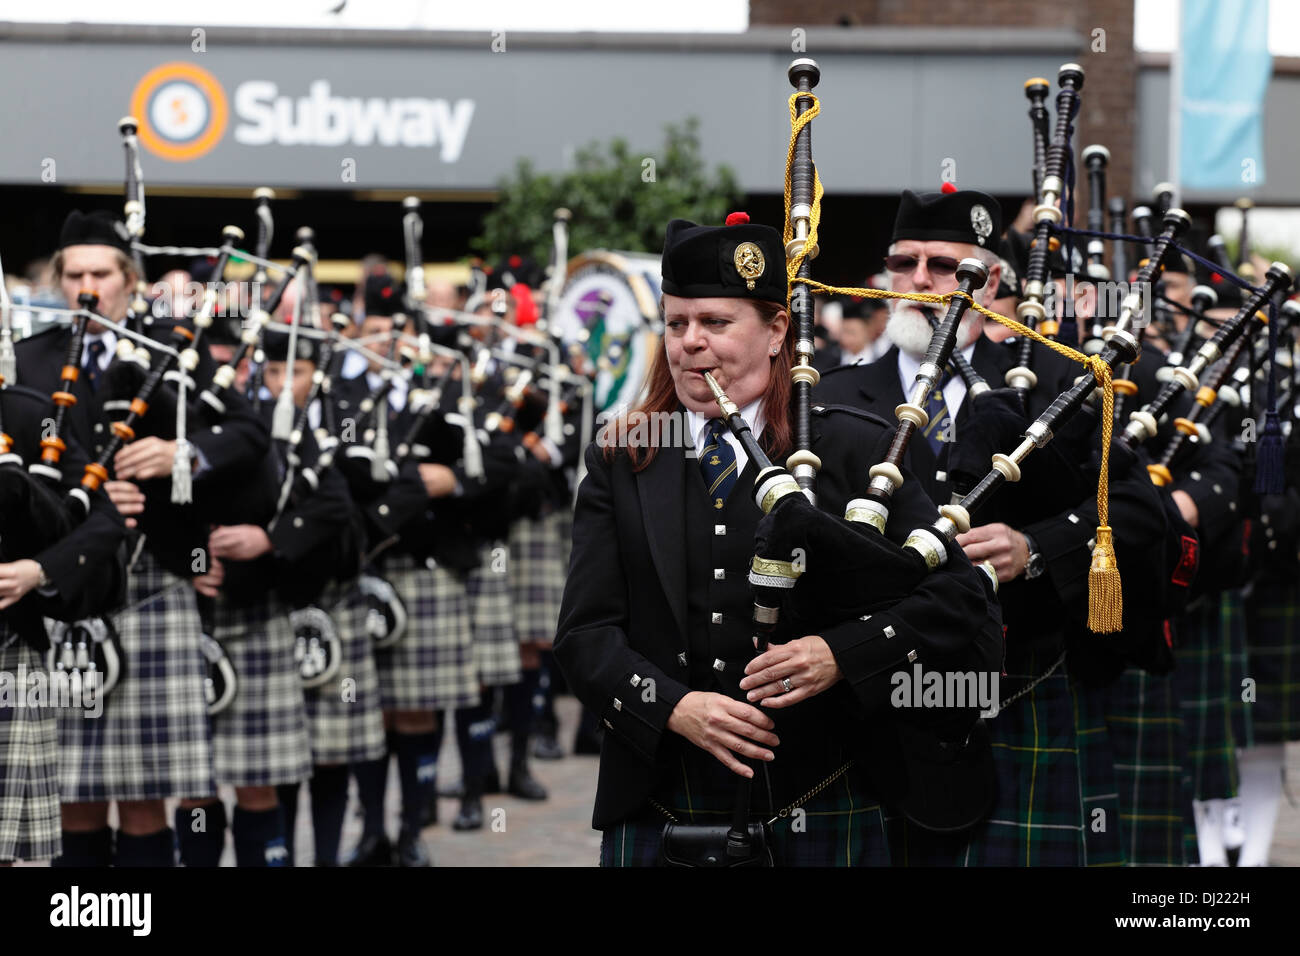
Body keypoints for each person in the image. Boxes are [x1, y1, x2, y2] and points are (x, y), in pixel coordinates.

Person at [555, 213, 1003, 866]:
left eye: (715, 322)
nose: (689, 344)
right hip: (661, 800)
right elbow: (585, 635)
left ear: (775, 331)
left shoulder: (859, 447)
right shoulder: (625, 455)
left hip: (822, 793)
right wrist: (673, 706)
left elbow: (963, 602)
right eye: (675, 323)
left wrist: (838, 654)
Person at [817, 188, 1172, 865]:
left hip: (1013, 686)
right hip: (870, 696)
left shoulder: (1053, 383)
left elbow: (1135, 510)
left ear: (992, 282)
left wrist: (1034, 548)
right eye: (905, 262)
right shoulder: (832, 397)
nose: (921, 282)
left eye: (947, 267)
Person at [17, 210, 269, 867]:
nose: (87, 285)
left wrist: (178, 452)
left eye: (101, 272)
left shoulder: (174, 347)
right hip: (64, 584)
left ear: (130, 278)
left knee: (144, 787)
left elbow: (247, 436)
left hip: (153, 576)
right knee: (68, 787)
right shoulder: (30, 357)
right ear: (59, 281)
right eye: (74, 275)